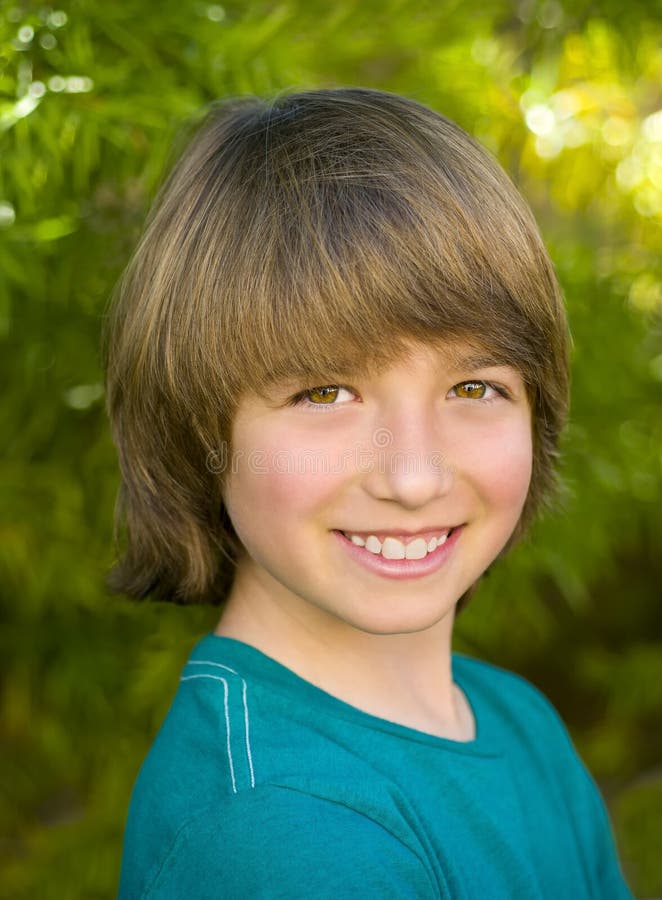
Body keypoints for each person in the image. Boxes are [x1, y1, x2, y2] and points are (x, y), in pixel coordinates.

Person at [104, 88, 633, 898]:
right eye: (324, 393)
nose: (414, 477)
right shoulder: (280, 833)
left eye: (473, 386)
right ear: (200, 434)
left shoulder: (517, 722)